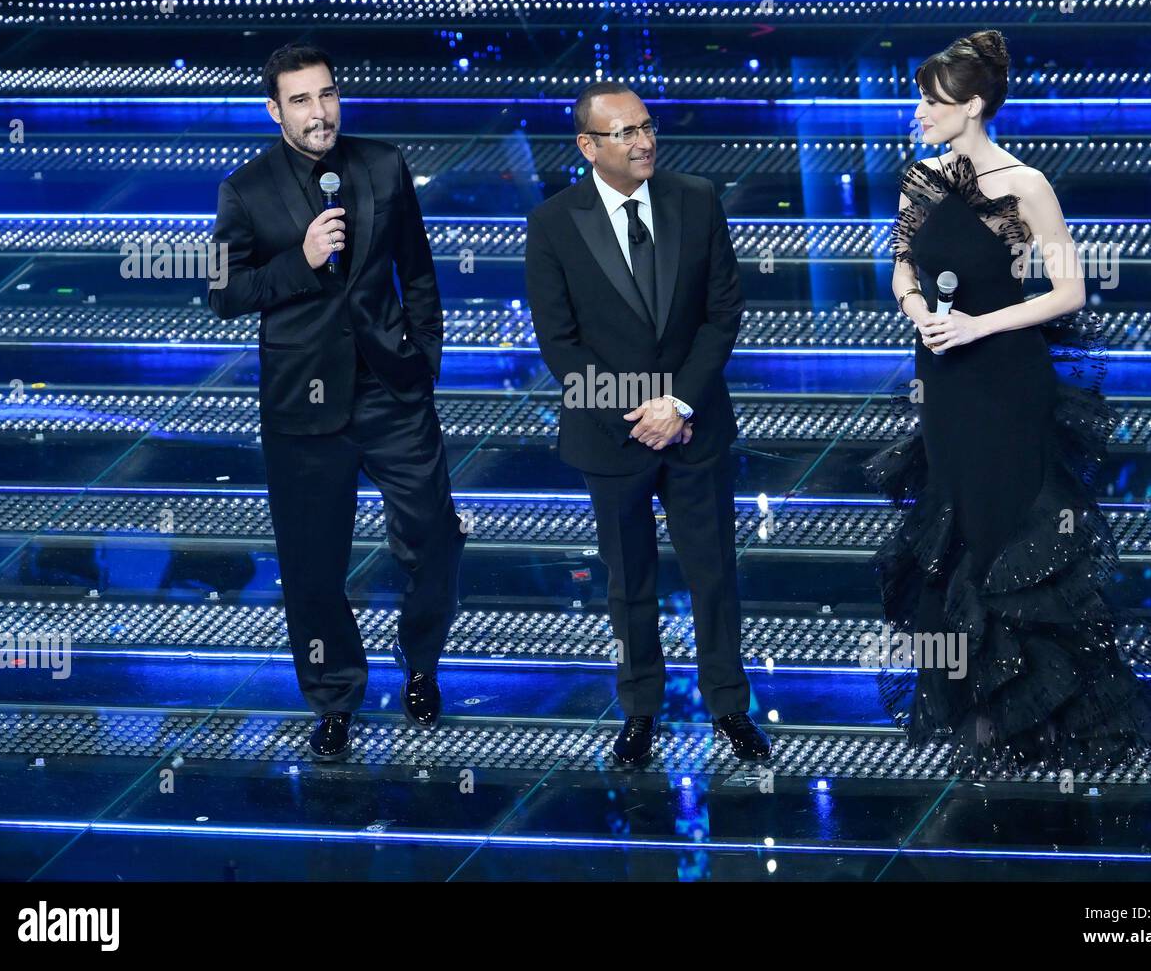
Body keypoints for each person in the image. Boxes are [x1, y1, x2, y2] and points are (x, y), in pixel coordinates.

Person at [864, 29, 1151, 774]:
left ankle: (1043, 713)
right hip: (943, 379)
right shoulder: (919, 179)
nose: (919, 113)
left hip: (1006, 378)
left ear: (972, 106)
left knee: (1011, 525)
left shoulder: (1027, 185)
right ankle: (977, 711)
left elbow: (1069, 291)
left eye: (931, 102)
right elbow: (900, 270)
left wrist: (977, 325)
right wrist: (919, 314)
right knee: (956, 524)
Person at [208, 42, 466, 760]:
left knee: (435, 536)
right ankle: (334, 698)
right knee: (314, 566)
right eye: (301, 100)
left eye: (326, 94)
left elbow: (418, 269)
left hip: (391, 389)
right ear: (274, 110)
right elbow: (224, 291)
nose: (318, 112)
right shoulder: (245, 189)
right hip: (303, 404)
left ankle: (421, 660)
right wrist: (301, 259)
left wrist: (424, 358)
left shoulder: (382, 164)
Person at [524, 82, 770, 768]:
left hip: (695, 427)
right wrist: (641, 414)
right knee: (628, 581)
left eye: (647, 126)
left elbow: (722, 314)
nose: (643, 142)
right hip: (612, 434)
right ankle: (639, 710)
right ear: (588, 146)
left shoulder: (697, 199)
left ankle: (729, 705)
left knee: (713, 574)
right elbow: (560, 346)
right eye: (625, 132)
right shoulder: (552, 223)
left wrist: (679, 404)